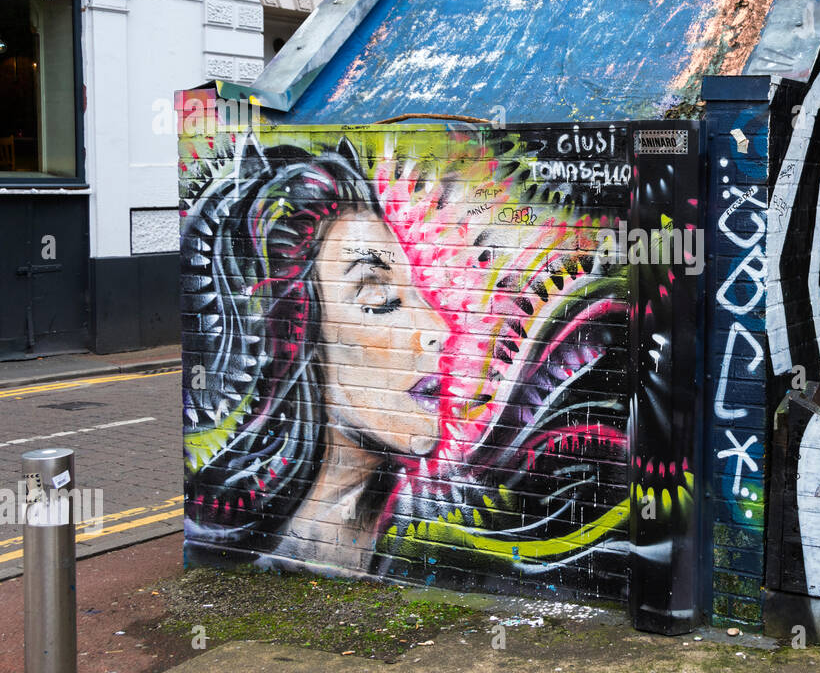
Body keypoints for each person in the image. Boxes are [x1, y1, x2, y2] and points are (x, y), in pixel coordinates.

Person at [180, 134, 632, 579]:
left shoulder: (410, 551)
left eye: (414, 293)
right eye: (380, 300)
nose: (438, 330)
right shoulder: (253, 554)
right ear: (295, 336)